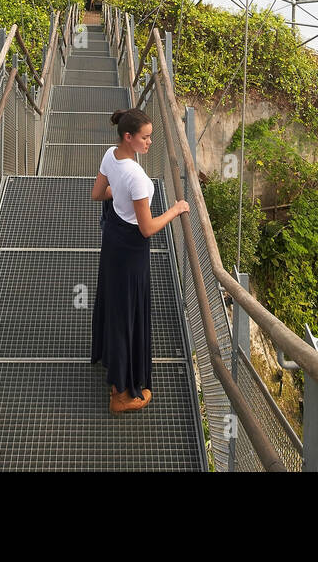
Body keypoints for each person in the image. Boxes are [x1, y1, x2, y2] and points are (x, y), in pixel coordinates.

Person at [90, 107, 189, 414]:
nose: (149, 143)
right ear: (128, 137)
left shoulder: (111, 155)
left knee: (116, 305)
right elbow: (146, 229)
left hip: (113, 238)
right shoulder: (137, 178)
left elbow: (97, 193)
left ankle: (113, 364)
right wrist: (175, 210)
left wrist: (119, 195)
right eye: (145, 138)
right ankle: (120, 396)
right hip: (131, 249)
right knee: (128, 312)